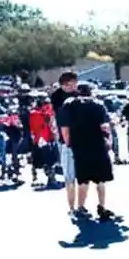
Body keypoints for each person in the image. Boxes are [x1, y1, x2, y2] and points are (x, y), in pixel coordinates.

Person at [60, 82, 116, 220]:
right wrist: (109, 142)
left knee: (83, 179)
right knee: (100, 180)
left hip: (80, 146)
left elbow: (65, 127)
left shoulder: (70, 105)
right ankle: (101, 206)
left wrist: (68, 142)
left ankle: (81, 207)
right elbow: (105, 127)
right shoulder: (98, 106)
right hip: (98, 145)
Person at [49, 71, 80, 212]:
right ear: (64, 85)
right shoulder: (56, 97)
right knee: (69, 174)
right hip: (65, 138)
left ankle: (81, 204)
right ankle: (72, 205)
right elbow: (60, 116)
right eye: (72, 84)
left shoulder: (78, 95)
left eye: (75, 83)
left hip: (81, 137)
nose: (74, 87)